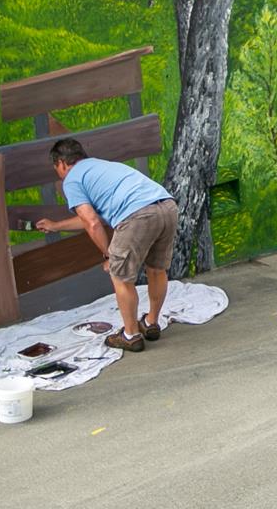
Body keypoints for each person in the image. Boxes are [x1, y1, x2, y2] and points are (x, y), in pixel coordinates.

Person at [35, 138, 179, 352]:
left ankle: (130, 335)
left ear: (62, 163)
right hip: (166, 206)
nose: (59, 172)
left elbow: (92, 223)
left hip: (137, 215)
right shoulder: (102, 166)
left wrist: (108, 255)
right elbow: (90, 218)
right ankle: (150, 323)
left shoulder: (72, 179)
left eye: (57, 167)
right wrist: (56, 226)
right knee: (157, 270)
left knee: (120, 276)